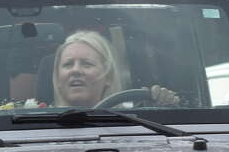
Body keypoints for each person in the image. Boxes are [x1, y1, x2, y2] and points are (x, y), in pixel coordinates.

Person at [50, 31, 181, 109]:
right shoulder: (33, 124)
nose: (76, 70)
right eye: (68, 64)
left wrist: (163, 106)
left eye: (86, 64)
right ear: (58, 78)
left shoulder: (134, 126)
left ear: (108, 77)